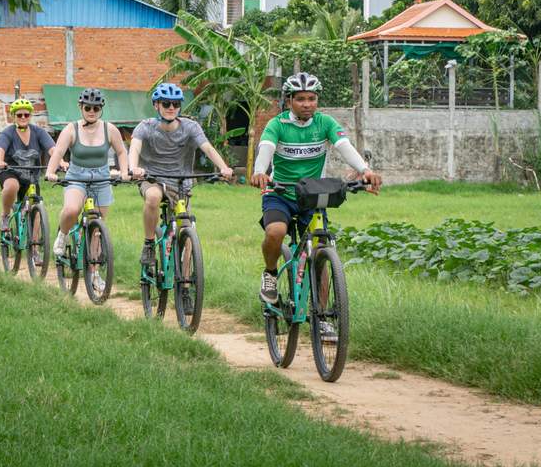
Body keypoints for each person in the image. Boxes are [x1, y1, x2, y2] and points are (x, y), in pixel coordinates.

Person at [250, 72, 381, 319]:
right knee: (276, 232)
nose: (307, 104)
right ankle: (270, 274)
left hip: (312, 195)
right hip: (280, 192)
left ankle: (322, 317)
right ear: (289, 101)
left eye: (312, 98)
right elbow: (266, 147)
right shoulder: (277, 124)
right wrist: (259, 172)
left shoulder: (326, 124)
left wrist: (365, 170)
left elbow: (344, 147)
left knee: (321, 251)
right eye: (300, 99)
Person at [129, 82, 234, 272]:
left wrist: (223, 167)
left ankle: (185, 289)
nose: (171, 108)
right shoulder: (146, 127)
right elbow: (135, 147)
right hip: (152, 178)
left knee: (187, 234)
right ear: (156, 105)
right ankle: (149, 244)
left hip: (180, 184)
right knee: (152, 197)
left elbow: (208, 148)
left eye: (175, 104)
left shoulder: (190, 127)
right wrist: (133, 168)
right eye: (166, 103)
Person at [44, 87, 129, 255]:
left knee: (97, 229)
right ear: (80, 107)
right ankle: (63, 233)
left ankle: (95, 273)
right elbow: (59, 152)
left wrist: (124, 172)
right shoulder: (71, 129)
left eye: (96, 108)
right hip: (77, 176)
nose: (92, 111)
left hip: (102, 178)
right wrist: (51, 172)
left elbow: (121, 151)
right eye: (87, 107)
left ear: (101, 109)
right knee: (71, 210)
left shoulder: (109, 129)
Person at [0, 98, 57, 232]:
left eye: (26, 115)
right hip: (9, 171)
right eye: (19, 115)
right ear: (13, 116)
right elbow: (0, 149)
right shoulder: (8, 132)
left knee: (36, 208)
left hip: (31, 175)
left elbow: (53, 149)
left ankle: (34, 248)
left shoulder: (38, 132)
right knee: (12, 186)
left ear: (30, 116)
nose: (23, 117)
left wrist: (61, 162)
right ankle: (5, 215)